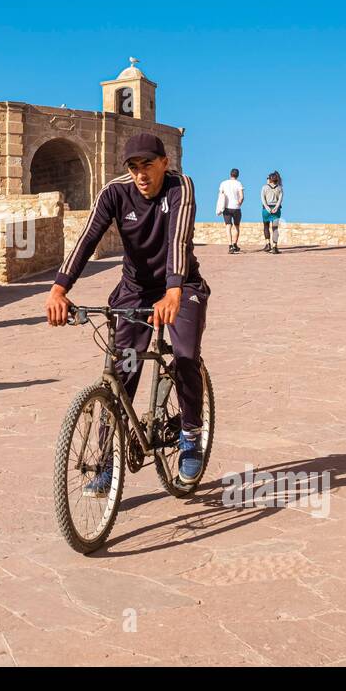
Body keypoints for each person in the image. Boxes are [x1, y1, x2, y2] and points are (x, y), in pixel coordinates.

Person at [46, 133, 211, 493]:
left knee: (184, 355)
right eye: (134, 168)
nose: (141, 175)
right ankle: (108, 460)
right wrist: (60, 288)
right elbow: (88, 238)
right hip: (135, 291)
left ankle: (190, 435)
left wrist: (173, 291)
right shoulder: (114, 193)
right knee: (124, 368)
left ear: (164, 163)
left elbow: (179, 241)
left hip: (182, 284)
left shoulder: (180, 187)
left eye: (147, 166)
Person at [217, 168, 244, 254]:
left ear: (230, 174)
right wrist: (239, 203)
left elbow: (221, 194)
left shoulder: (223, 183)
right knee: (236, 226)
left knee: (228, 226)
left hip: (226, 208)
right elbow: (242, 197)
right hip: (236, 207)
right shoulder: (238, 183)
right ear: (237, 175)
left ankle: (230, 246)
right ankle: (235, 244)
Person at [261, 171, 283, 254]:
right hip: (276, 210)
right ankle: (274, 247)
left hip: (266, 210)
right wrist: (276, 208)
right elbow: (280, 200)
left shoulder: (264, 187)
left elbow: (263, 199)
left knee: (266, 226)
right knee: (275, 228)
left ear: (269, 179)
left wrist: (267, 208)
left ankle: (267, 244)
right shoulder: (280, 188)